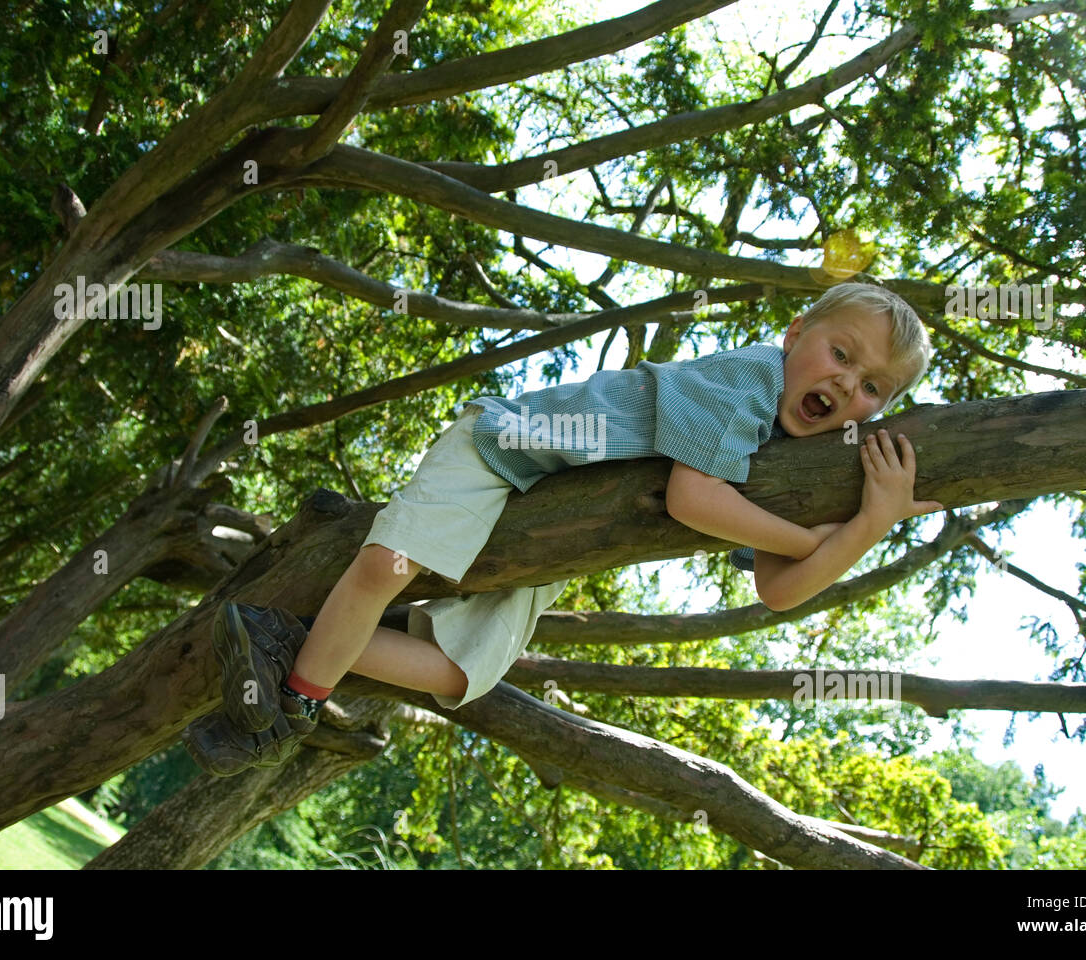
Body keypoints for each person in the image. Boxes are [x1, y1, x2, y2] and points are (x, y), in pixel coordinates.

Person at [183, 281, 941, 776]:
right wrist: (819, 539)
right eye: (840, 354)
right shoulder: (751, 378)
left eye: (872, 386)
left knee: (460, 671)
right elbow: (692, 499)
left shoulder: (776, 455)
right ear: (795, 331)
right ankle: (287, 713)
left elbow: (778, 593)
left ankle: (280, 643)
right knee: (387, 568)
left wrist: (870, 524)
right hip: (507, 447)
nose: (846, 383)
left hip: (553, 531)